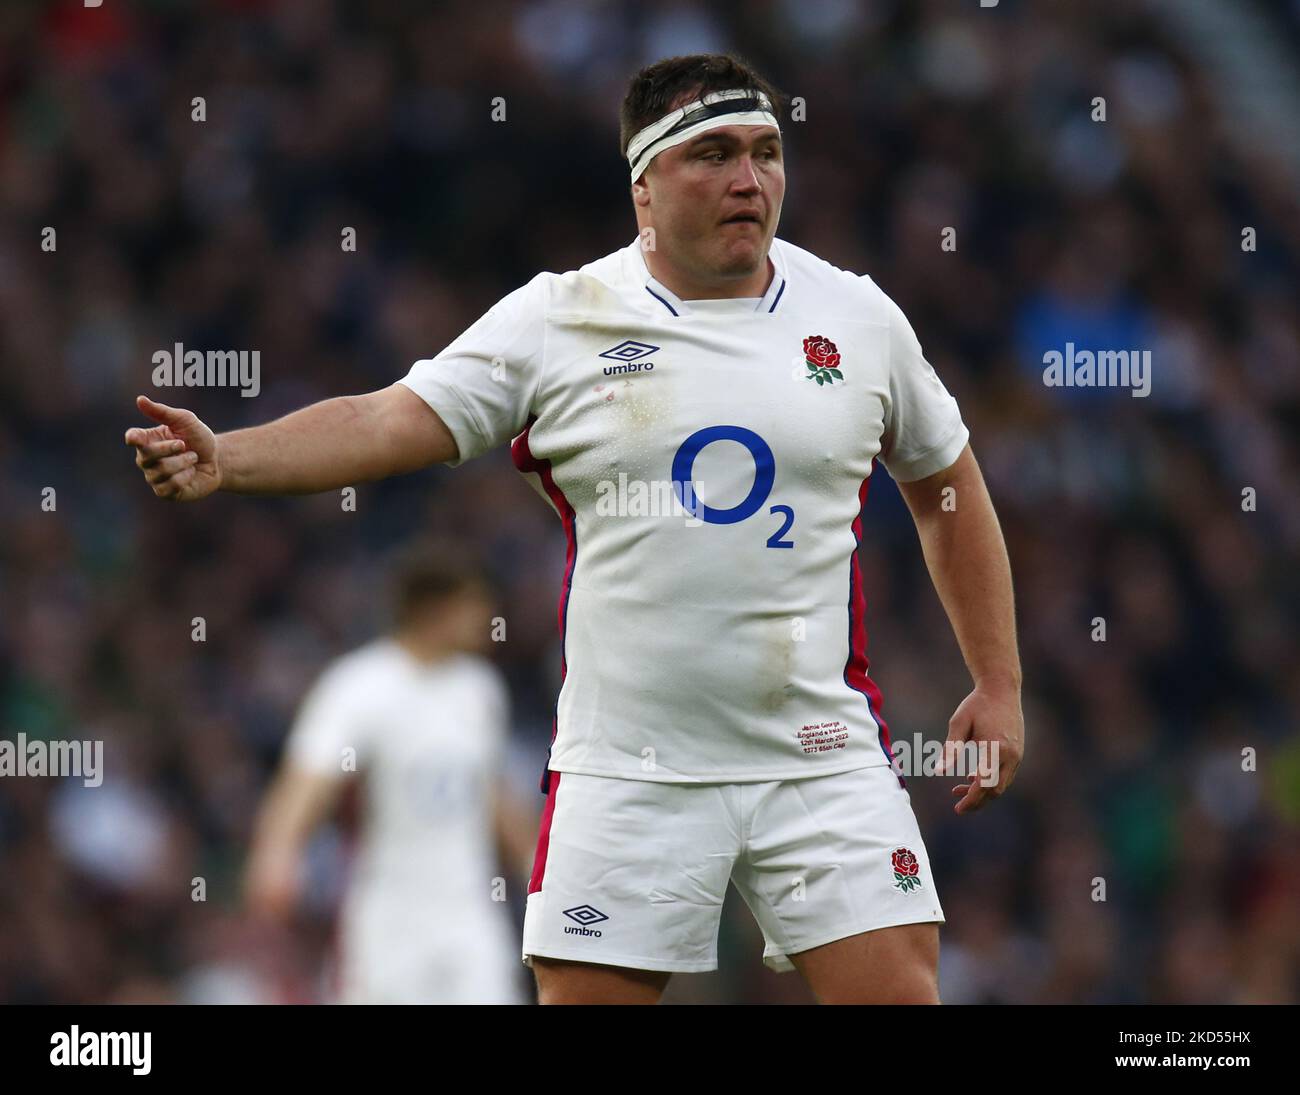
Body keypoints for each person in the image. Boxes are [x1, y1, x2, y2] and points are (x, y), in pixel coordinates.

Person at [126, 52, 1024, 1005]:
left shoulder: (857, 318)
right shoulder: (563, 319)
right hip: (628, 766)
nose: (748, 179)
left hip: (818, 751)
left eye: (766, 152)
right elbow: (390, 419)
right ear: (644, 184)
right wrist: (231, 456)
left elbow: (946, 485)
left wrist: (999, 679)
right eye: (713, 153)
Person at [243, 542, 536, 1004]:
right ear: (434, 607)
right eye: (475, 603)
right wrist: (277, 853)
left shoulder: (479, 689)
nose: (487, 616)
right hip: (388, 916)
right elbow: (308, 777)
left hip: (470, 912)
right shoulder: (361, 685)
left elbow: (493, 792)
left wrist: (533, 867)